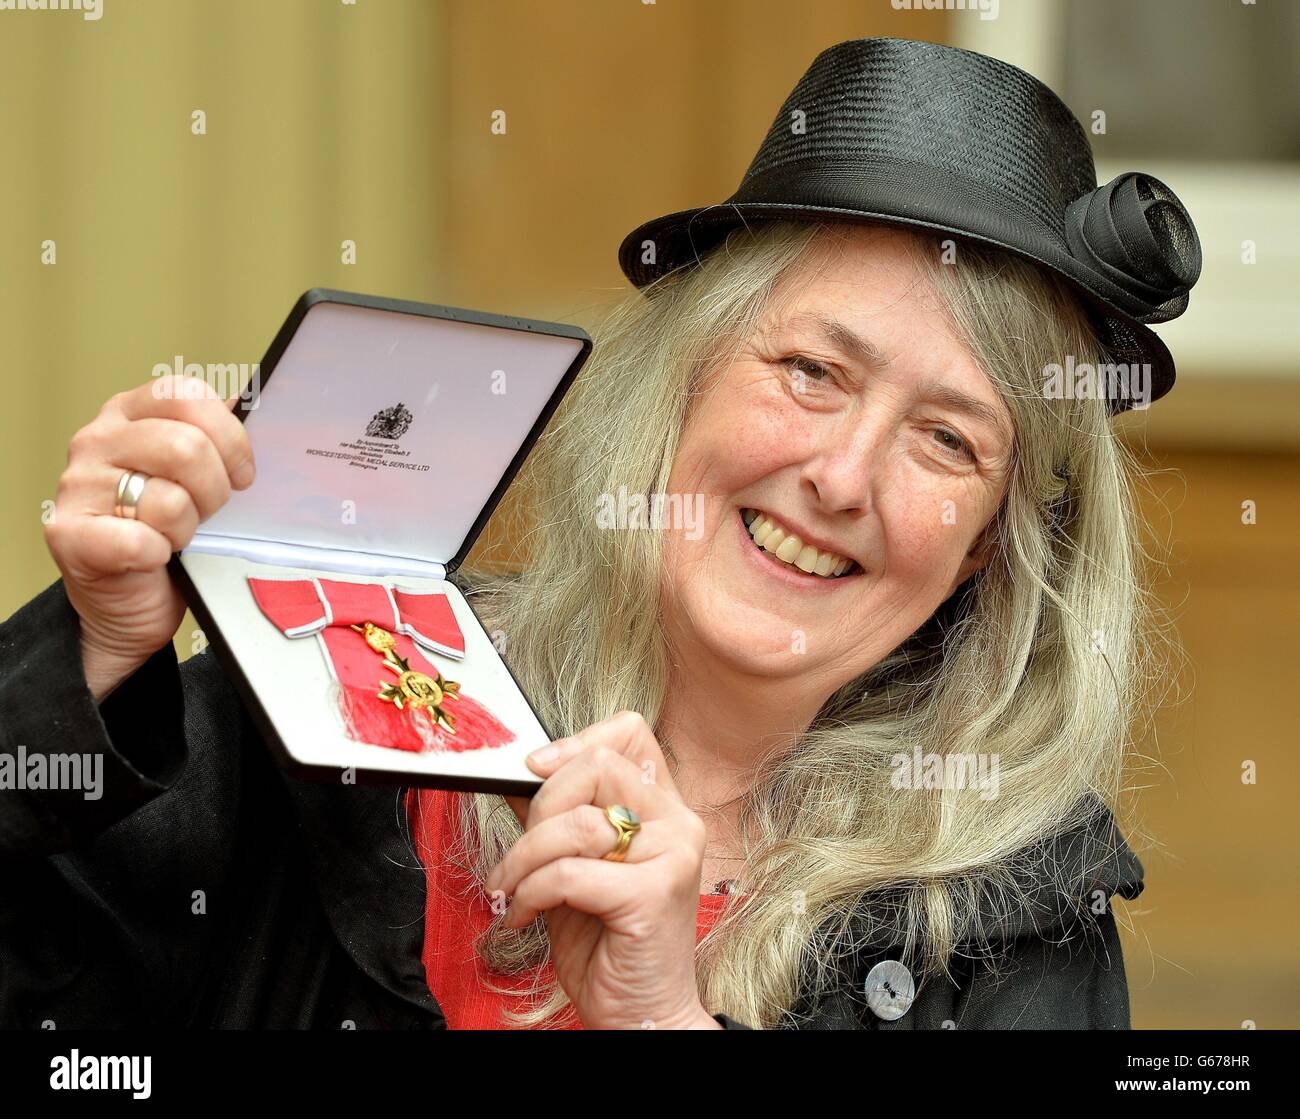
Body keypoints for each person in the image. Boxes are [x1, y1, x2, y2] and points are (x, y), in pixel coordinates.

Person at [0, 36, 1200, 1030]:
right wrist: (97, 657)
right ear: (682, 381)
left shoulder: (1021, 924)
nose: (841, 479)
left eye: (947, 440)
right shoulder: (341, 707)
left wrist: (662, 1020)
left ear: (990, 541)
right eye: (811, 371)